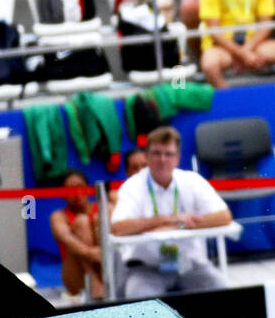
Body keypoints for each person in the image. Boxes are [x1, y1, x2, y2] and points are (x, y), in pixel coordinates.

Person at [110, 126, 230, 296]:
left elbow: (224, 216)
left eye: (169, 154)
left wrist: (180, 225)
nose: (162, 160)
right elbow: (119, 228)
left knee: (223, 290)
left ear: (178, 158)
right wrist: (167, 219)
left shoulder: (192, 180)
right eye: (156, 153)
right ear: (147, 156)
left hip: (189, 265)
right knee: (140, 302)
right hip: (146, 270)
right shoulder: (132, 186)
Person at [49, 169, 103, 302]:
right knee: (81, 223)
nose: (77, 193)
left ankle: (99, 283)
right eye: (70, 189)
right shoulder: (58, 216)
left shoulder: (104, 208)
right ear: (63, 194)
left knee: (98, 220)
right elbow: (64, 236)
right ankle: (95, 284)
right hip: (77, 275)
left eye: (80, 186)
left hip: (105, 266)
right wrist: (90, 253)